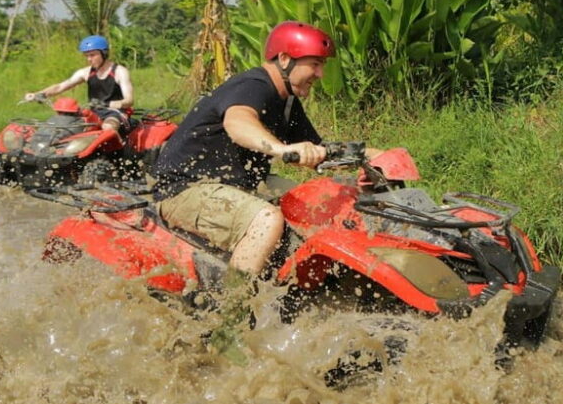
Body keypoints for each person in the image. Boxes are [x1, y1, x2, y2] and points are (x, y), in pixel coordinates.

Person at [152, 21, 380, 276]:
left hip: (238, 185)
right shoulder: (253, 86)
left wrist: (371, 156)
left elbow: (318, 150)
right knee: (267, 220)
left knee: (319, 202)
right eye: (314, 64)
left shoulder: (287, 101)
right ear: (285, 59)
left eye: (322, 66)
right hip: (184, 190)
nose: (320, 74)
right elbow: (238, 122)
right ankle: (235, 306)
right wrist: (280, 149)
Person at [25, 35, 134, 137]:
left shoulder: (120, 71)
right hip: (93, 112)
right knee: (66, 125)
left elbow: (129, 100)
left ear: (104, 53)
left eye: (93, 55)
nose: (89, 59)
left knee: (108, 127)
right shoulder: (85, 72)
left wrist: (111, 103)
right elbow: (60, 87)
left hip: (115, 113)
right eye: (86, 56)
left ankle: (118, 155)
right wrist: (39, 94)